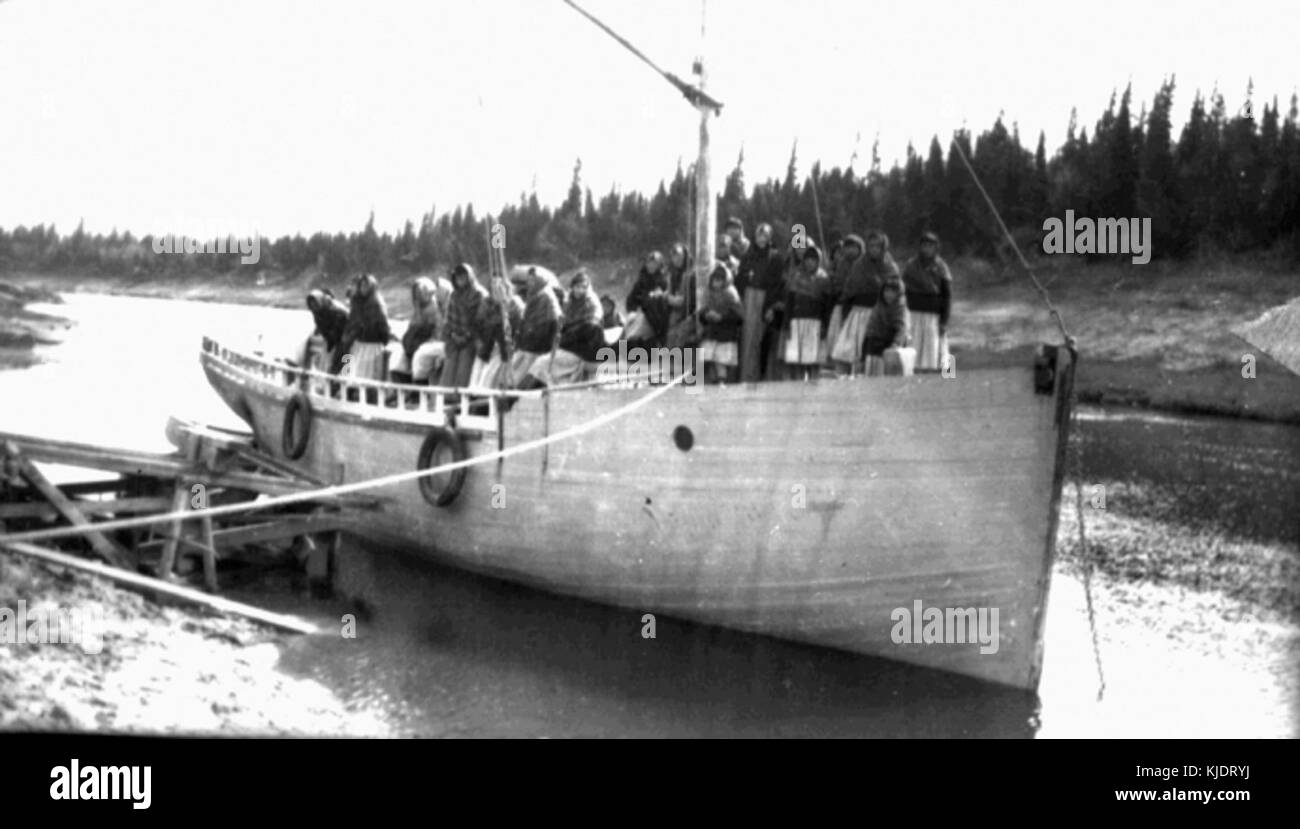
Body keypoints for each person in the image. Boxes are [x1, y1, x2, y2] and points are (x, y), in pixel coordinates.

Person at [524, 269, 605, 388]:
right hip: (571, 347)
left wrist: (565, 338)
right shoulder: (570, 303)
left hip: (584, 351)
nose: (580, 290)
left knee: (542, 363)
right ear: (572, 287)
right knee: (540, 363)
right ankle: (518, 394)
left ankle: (515, 397)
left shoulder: (591, 304)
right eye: (577, 287)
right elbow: (564, 326)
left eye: (583, 287)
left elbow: (589, 329)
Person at [831, 231, 898, 373]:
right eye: (871, 246)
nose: (874, 249)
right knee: (852, 354)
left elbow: (897, 293)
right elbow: (848, 292)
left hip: (881, 316)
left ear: (883, 248)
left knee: (876, 358)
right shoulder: (858, 266)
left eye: (878, 246)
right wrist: (845, 317)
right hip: (858, 315)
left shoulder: (890, 267)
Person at [735, 222, 784, 382]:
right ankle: (747, 377)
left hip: (766, 299)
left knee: (765, 341)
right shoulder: (747, 256)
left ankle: (764, 379)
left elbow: (778, 284)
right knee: (748, 340)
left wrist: (771, 306)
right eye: (759, 235)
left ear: (770, 238)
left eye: (765, 235)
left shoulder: (775, 257)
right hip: (749, 299)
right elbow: (740, 280)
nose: (762, 239)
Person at [901, 230, 953, 371]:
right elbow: (903, 291)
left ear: (936, 248)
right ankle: (913, 375)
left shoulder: (941, 267)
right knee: (914, 349)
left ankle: (947, 376)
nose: (927, 249)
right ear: (920, 247)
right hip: (914, 314)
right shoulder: (911, 266)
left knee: (938, 348)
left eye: (931, 246)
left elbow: (947, 296)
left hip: (933, 315)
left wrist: (944, 320)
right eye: (924, 245)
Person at [781, 245, 831, 380]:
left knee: (813, 360)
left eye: (814, 259)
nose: (810, 262)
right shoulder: (796, 276)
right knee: (798, 359)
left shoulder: (823, 279)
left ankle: (814, 387)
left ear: (818, 261)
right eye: (808, 259)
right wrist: (787, 324)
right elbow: (789, 304)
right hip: (797, 322)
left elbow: (826, 307)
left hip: (815, 324)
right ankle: (798, 386)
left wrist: (825, 326)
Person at [508, 266, 562, 387]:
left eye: (533, 280)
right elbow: (524, 322)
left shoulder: (546, 298)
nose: (530, 283)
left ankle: (512, 392)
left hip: (539, 347)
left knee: (522, 367)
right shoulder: (533, 297)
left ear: (539, 281)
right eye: (529, 280)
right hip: (527, 344)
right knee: (513, 363)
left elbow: (546, 328)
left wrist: (528, 342)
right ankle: (505, 389)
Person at [468, 273, 524, 389]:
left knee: (489, 374)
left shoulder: (514, 304)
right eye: (494, 288)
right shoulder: (487, 303)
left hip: (506, 349)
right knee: (478, 369)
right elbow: (477, 326)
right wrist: (479, 342)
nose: (497, 292)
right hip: (489, 345)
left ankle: (484, 397)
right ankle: (473, 395)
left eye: (499, 288)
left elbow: (518, 328)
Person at [335, 273, 392, 380]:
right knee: (349, 373)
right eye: (361, 285)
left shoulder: (377, 304)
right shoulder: (358, 302)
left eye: (366, 285)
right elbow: (353, 322)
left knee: (366, 377)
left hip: (372, 345)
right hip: (359, 343)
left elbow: (383, 325)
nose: (363, 288)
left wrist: (385, 339)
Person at [388, 277, 444, 384]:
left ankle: (417, 393)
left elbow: (429, 330)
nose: (418, 295)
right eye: (416, 293)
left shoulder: (433, 309)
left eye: (420, 292)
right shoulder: (418, 309)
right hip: (413, 343)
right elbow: (412, 329)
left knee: (419, 358)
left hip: (429, 342)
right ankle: (402, 391)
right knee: (396, 360)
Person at [439, 263, 486, 388]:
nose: (460, 279)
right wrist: (453, 335)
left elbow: (481, 321)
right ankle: (445, 396)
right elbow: (448, 320)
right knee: (450, 360)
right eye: (458, 276)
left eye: (464, 275)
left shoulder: (480, 294)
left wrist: (467, 336)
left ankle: (460, 397)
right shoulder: (453, 296)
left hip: (473, 339)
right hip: (455, 338)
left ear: (470, 276)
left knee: (465, 362)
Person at [697, 261, 744, 383]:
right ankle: (714, 381)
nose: (716, 283)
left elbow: (739, 316)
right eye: (715, 280)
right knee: (709, 359)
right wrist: (706, 315)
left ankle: (722, 382)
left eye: (720, 280)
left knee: (721, 361)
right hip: (711, 333)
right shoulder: (708, 294)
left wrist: (722, 317)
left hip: (726, 334)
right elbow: (702, 313)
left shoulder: (731, 294)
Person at [861, 270, 910, 376]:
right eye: (886, 291)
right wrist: (863, 356)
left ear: (899, 293)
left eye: (893, 291)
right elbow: (870, 331)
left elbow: (902, 329)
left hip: (892, 350)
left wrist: (895, 344)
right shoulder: (878, 308)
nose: (889, 294)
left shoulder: (901, 309)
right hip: (875, 348)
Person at [625, 250, 670, 346]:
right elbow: (631, 299)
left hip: (657, 320)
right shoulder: (642, 279)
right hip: (642, 316)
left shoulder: (664, 281)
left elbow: (663, 303)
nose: (651, 266)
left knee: (636, 343)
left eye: (654, 263)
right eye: (649, 263)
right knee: (628, 341)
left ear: (659, 265)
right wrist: (631, 312)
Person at [303, 288, 348, 371]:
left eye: (315, 303)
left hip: (345, 339)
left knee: (338, 367)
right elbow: (323, 329)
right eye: (311, 304)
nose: (313, 306)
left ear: (320, 301)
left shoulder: (336, 310)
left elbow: (339, 330)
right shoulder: (317, 312)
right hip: (331, 339)